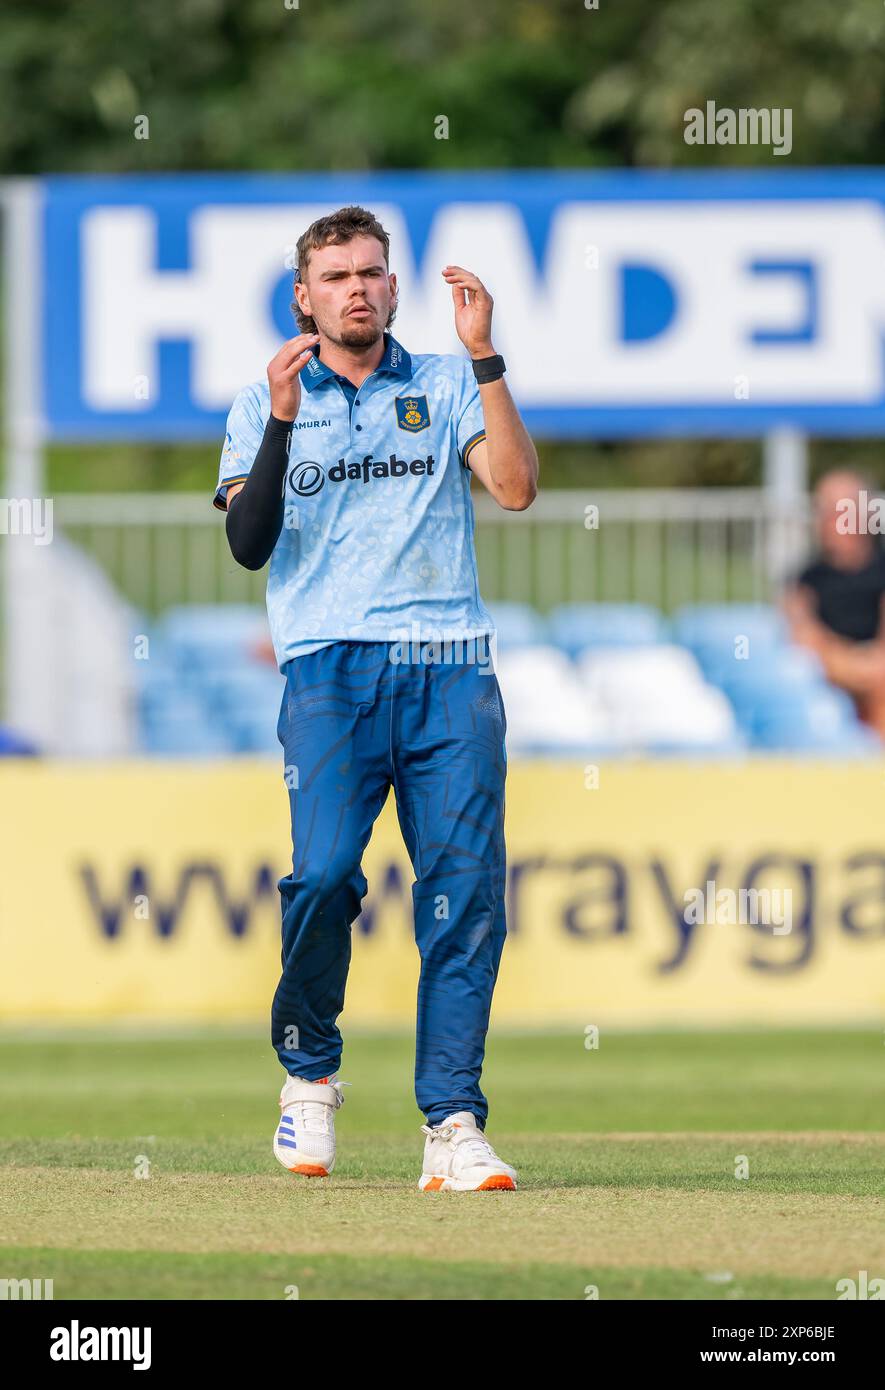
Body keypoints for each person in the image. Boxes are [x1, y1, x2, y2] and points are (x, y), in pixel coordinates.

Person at [214, 205, 538, 1191]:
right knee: (320, 877)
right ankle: (308, 1079)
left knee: (466, 896)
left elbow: (517, 489)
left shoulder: (443, 384)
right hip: (326, 669)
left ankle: (452, 1121)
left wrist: (486, 358)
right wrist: (277, 419)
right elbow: (248, 542)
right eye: (337, 275)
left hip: (450, 667)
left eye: (373, 272)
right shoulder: (262, 399)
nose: (358, 287)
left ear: (394, 288)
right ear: (303, 297)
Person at [783, 469, 885, 738]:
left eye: (838, 511)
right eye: (823, 510)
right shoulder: (804, 579)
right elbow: (803, 637)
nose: (828, 520)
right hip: (828, 674)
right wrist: (851, 667)